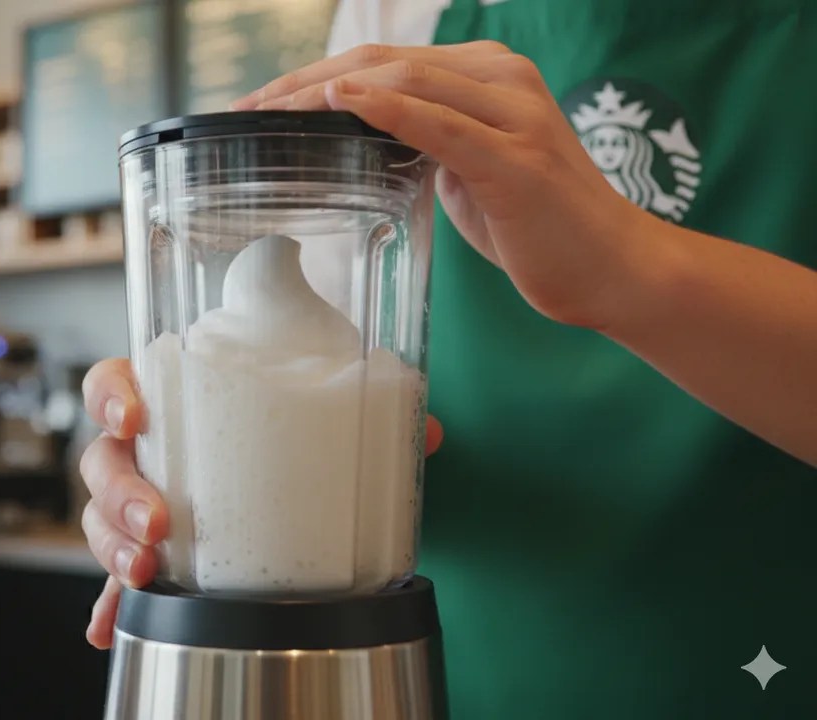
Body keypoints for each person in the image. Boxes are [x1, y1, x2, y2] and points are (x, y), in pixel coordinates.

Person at [78, 0, 817, 716]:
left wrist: (626, 262)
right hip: (425, 680)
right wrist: (180, 482)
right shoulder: (395, 16)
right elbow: (310, 354)